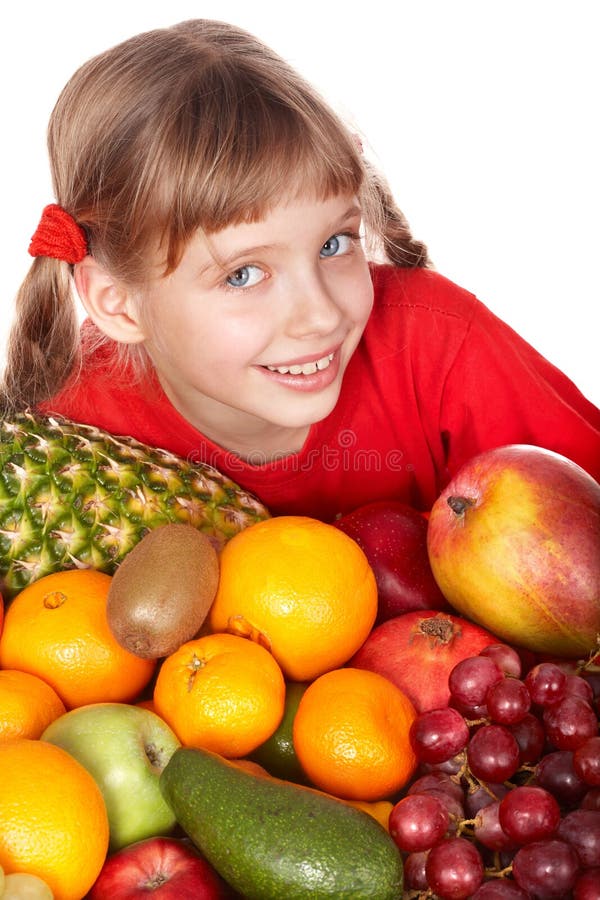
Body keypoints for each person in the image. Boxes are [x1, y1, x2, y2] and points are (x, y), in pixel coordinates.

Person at [2, 19, 599, 521]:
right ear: (119, 304)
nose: (321, 314)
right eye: (243, 274)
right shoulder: (69, 429)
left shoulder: (439, 344)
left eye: (336, 243)